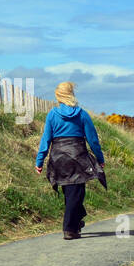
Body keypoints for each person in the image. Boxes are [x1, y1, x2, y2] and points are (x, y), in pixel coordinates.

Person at [35, 82, 105, 240]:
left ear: (58, 96)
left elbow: (46, 140)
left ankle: (75, 223)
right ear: (71, 94)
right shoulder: (82, 114)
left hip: (59, 158)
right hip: (78, 156)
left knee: (70, 193)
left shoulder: (52, 114)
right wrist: (100, 159)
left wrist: (39, 161)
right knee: (77, 192)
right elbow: (93, 140)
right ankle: (69, 229)